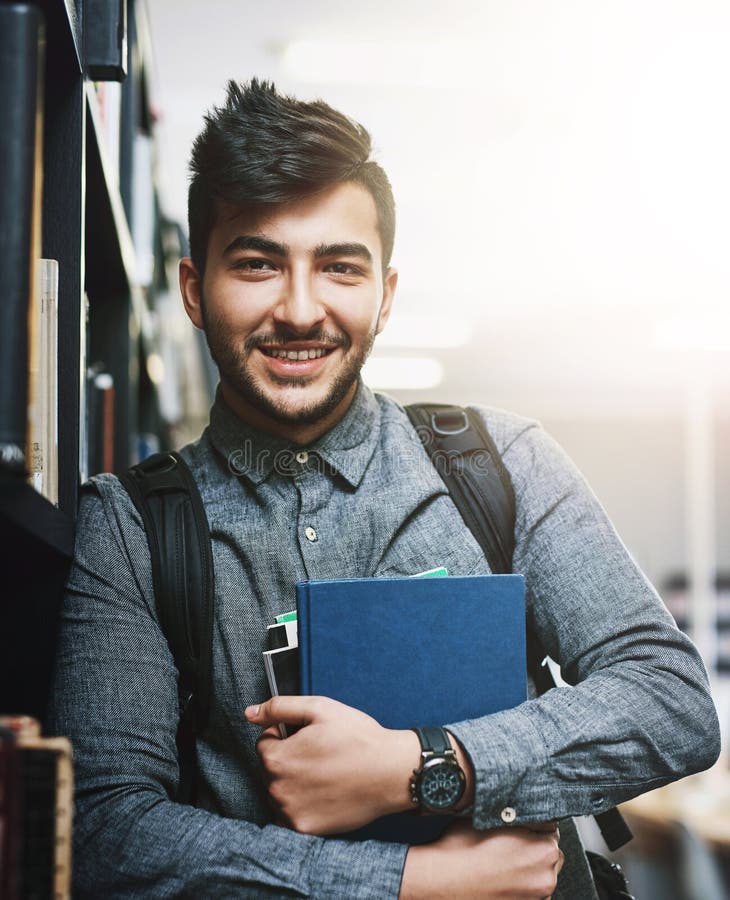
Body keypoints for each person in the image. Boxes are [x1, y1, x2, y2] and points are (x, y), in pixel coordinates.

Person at [48, 79, 720, 899]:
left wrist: (422, 766)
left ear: (385, 295)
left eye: (339, 267)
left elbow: (670, 702)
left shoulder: (501, 464)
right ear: (193, 288)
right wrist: (411, 880)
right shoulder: (128, 527)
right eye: (258, 264)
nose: (301, 310)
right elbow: (107, 834)